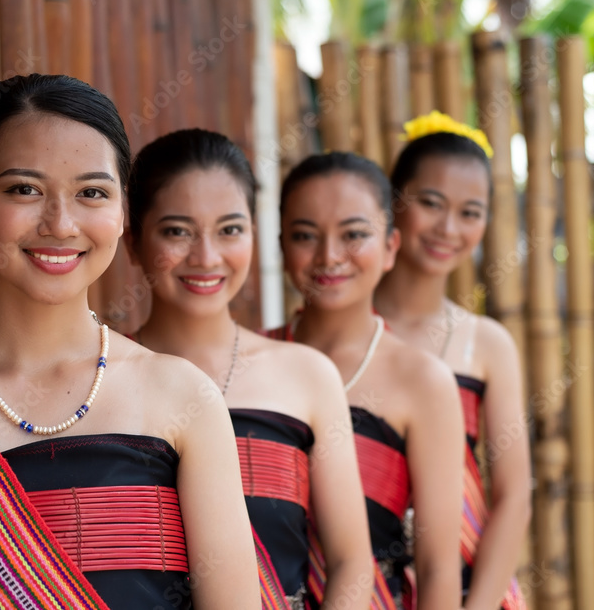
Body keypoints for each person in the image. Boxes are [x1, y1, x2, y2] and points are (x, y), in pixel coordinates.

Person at [0, 75, 260, 610]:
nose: (60, 223)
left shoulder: (182, 396)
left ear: (122, 210)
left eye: (91, 193)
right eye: (24, 189)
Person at [125, 129, 374, 610]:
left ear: (254, 238)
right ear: (133, 241)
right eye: (177, 231)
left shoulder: (307, 376)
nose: (206, 257)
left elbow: (351, 563)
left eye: (230, 229)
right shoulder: (103, 379)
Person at [273, 152, 464, 610]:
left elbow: (438, 565)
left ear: (391, 246)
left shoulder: (423, 381)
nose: (329, 256)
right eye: (305, 236)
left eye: (354, 235)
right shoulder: (254, 360)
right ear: (281, 246)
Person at [374, 111, 531, 610]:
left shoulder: (486, 344)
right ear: (393, 201)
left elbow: (513, 494)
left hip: (468, 586)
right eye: (431, 203)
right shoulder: (338, 334)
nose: (449, 227)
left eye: (470, 212)